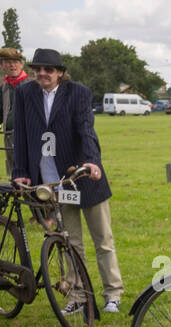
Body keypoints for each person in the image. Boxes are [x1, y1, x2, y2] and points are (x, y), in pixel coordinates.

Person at [10, 48, 125, 312]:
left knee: (103, 239)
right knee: (70, 243)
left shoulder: (78, 92)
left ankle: (112, 293)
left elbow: (86, 129)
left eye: (48, 69)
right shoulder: (25, 93)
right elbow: (22, 136)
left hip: (81, 177)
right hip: (52, 182)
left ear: (60, 73)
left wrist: (91, 161)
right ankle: (78, 296)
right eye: (38, 69)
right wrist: (20, 171)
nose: (42, 73)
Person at [2, 47, 27, 175]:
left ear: (21, 64)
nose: (12, 65)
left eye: (16, 61)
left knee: (29, 175)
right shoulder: (4, 87)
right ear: (2, 66)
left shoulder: (33, 85)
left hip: (27, 138)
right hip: (8, 138)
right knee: (14, 176)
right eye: (8, 62)